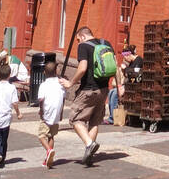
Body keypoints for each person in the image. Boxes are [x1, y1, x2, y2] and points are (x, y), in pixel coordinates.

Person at [60, 26, 115, 165]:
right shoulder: (105, 43)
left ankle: (89, 143)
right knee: (94, 121)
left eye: (78, 39)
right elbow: (115, 64)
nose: (78, 42)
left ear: (82, 36)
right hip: (103, 89)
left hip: (88, 90)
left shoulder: (83, 46)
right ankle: (89, 151)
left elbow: (83, 68)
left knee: (75, 119)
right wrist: (119, 86)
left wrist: (71, 83)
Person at [0, 58, 20, 168]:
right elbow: (15, 103)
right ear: (10, 75)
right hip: (6, 118)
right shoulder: (12, 88)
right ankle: (2, 159)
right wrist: (18, 113)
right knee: (4, 139)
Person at [36, 61, 65, 168]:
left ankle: (49, 150)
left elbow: (41, 100)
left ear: (44, 72)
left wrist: (41, 110)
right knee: (51, 136)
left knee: (41, 136)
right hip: (57, 112)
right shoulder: (60, 83)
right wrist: (61, 112)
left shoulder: (43, 85)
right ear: (56, 71)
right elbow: (63, 98)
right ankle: (49, 161)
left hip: (47, 112)